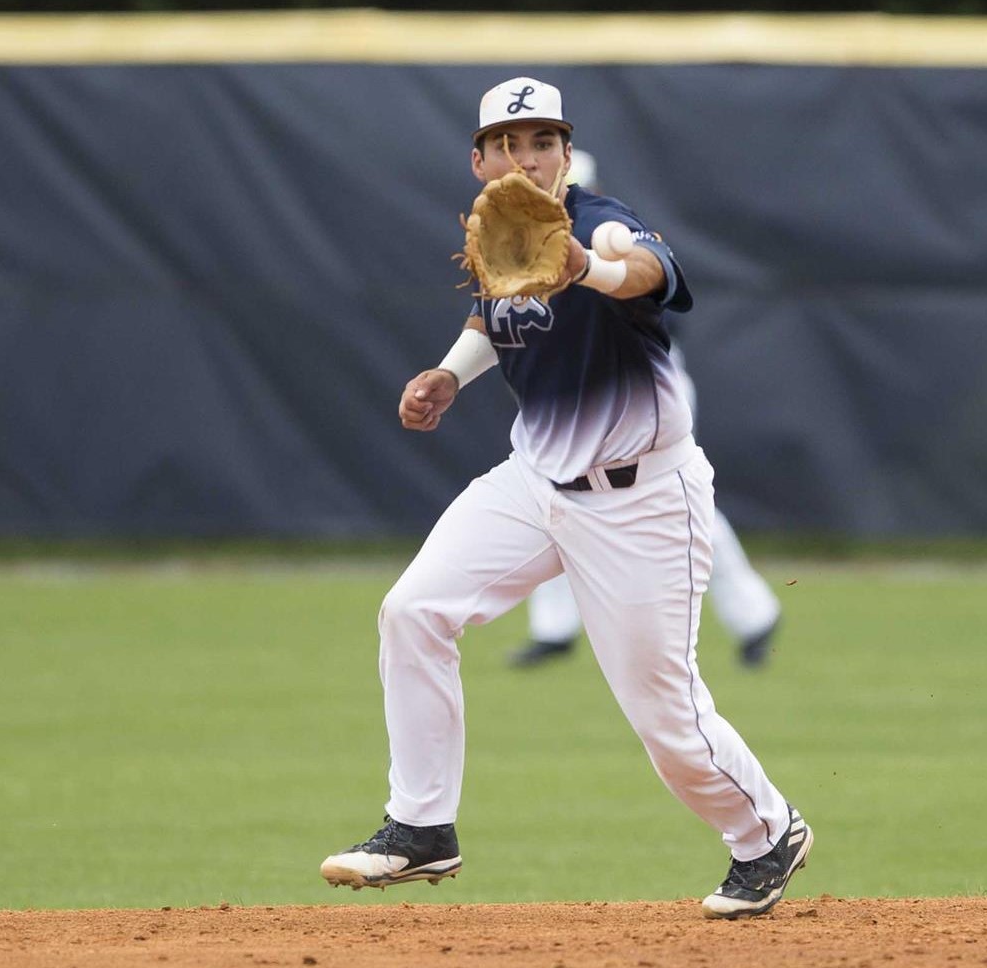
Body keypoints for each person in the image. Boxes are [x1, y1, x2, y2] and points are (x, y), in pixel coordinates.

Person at [318, 77, 812, 920]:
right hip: (533, 478)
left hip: (640, 498)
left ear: (564, 151)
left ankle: (766, 832)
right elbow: (492, 314)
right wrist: (448, 375)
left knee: (667, 719)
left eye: (542, 141)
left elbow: (646, 271)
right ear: (478, 160)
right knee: (413, 612)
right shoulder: (497, 232)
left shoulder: (595, 220)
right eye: (507, 144)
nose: (526, 157)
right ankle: (422, 827)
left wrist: (590, 266)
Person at [511, 153, 783, 671]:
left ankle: (753, 612)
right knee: (555, 489)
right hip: (579, 386)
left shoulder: (609, 231)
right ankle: (554, 629)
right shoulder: (530, 244)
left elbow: (640, 285)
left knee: (671, 499)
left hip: (642, 385)